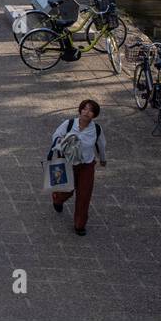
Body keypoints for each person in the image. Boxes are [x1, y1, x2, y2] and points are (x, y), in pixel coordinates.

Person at [49, 99, 107, 236]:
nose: (87, 112)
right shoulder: (69, 124)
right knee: (67, 190)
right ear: (80, 110)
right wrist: (63, 141)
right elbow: (56, 136)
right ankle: (58, 198)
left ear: (94, 115)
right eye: (85, 109)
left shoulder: (96, 129)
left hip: (86, 165)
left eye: (91, 110)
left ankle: (80, 224)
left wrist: (103, 159)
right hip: (66, 163)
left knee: (84, 194)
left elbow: (101, 145)